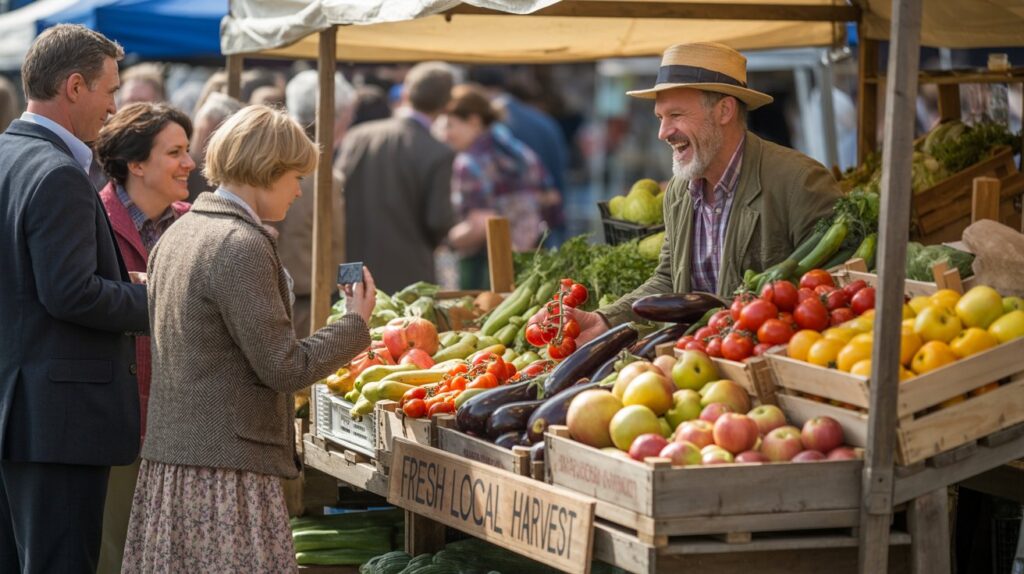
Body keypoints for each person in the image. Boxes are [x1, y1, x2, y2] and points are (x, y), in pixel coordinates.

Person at [121, 105, 375, 573]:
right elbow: (283, 367)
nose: (300, 191)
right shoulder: (239, 244)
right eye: (296, 177)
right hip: (224, 473)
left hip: (175, 464)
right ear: (267, 170)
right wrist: (354, 323)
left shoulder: (181, 233)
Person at [540, 42, 841, 344]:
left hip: (767, 360)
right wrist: (605, 319)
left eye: (676, 115)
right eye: (660, 117)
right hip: (697, 364)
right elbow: (669, 278)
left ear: (724, 110)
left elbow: (832, 294)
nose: (663, 132)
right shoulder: (680, 190)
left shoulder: (800, 181)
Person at [0, 24, 148, 573]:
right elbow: (70, 295)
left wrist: (119, 286)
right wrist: (158, 305)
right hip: (58, 423)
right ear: (76, 86)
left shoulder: (10, 154)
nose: (114, 108)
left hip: (25, 415)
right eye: (110, 92)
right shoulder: (56, 170)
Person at [92, 101, 195, 573]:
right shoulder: (94, 220)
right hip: (118, 422)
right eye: (175, 151)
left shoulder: (196, 224)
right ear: (135, 164)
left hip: (183, 427)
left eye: (188, 150)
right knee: (114, 554)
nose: (190, 163)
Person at [337, 61, 457, 293]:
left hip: (352, 267)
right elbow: (438, 220)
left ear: (406, 92)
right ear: (446, 105)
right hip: (408, 275)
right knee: (403, 328)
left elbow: (336, 198)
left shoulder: (358, 136)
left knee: (347, 324)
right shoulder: (437, 151)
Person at [276, 69, 358, 336]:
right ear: (336, 117)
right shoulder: (322, 176)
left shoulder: (273, 162)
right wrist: (352, 299)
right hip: (307, 306)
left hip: (284, 301)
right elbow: (339, 245)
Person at [442, 84, 548, 289]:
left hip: (485, 271)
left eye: (450, 125)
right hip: (529, 263)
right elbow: (549, 196)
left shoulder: (469, 162)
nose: (445, 134)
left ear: (473, 121)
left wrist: (447, 242)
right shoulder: (517, 149)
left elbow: (481, 223)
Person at [470, 66, 568, 244]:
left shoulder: (492, 129)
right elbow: (559, 180)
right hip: (548, 226)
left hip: (509, 235)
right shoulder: (544, 123)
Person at [186, 91, 243, 201]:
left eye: (211, 136)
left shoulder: (237, 181)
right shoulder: (183, 173)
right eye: (200, 132)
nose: (204, 143)